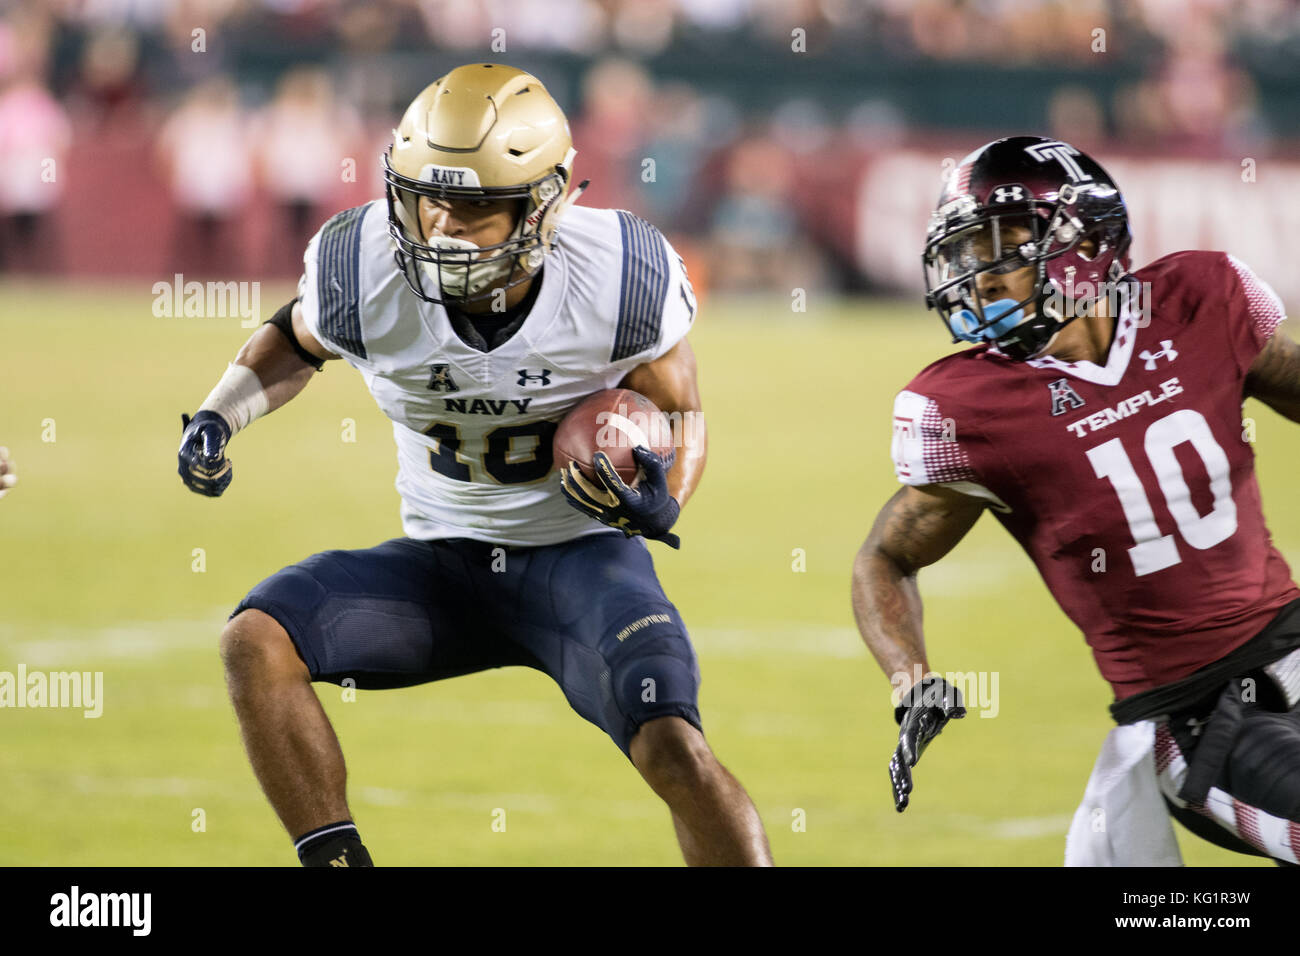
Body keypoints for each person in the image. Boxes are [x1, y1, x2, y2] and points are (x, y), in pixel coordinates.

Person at [176, 63, 772, 867]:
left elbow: (679, 408)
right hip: (444, 563)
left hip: (582, 560)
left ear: (546, 203)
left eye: (476, 208)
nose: (445, 228)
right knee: (255, 639)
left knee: (673, 744)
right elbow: (294, 339)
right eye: (430, 199)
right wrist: (220, 411)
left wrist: (667, 501)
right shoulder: (366, 264)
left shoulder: (618, 270)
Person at [852, 136, 1300, 865]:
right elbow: (888, 553)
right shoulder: (968, 408)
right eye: (966, 253)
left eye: (1004, 246)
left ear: (1084, 243)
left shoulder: (1200, 299)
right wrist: (912, 678)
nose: (980, 277)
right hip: (1192, 717)